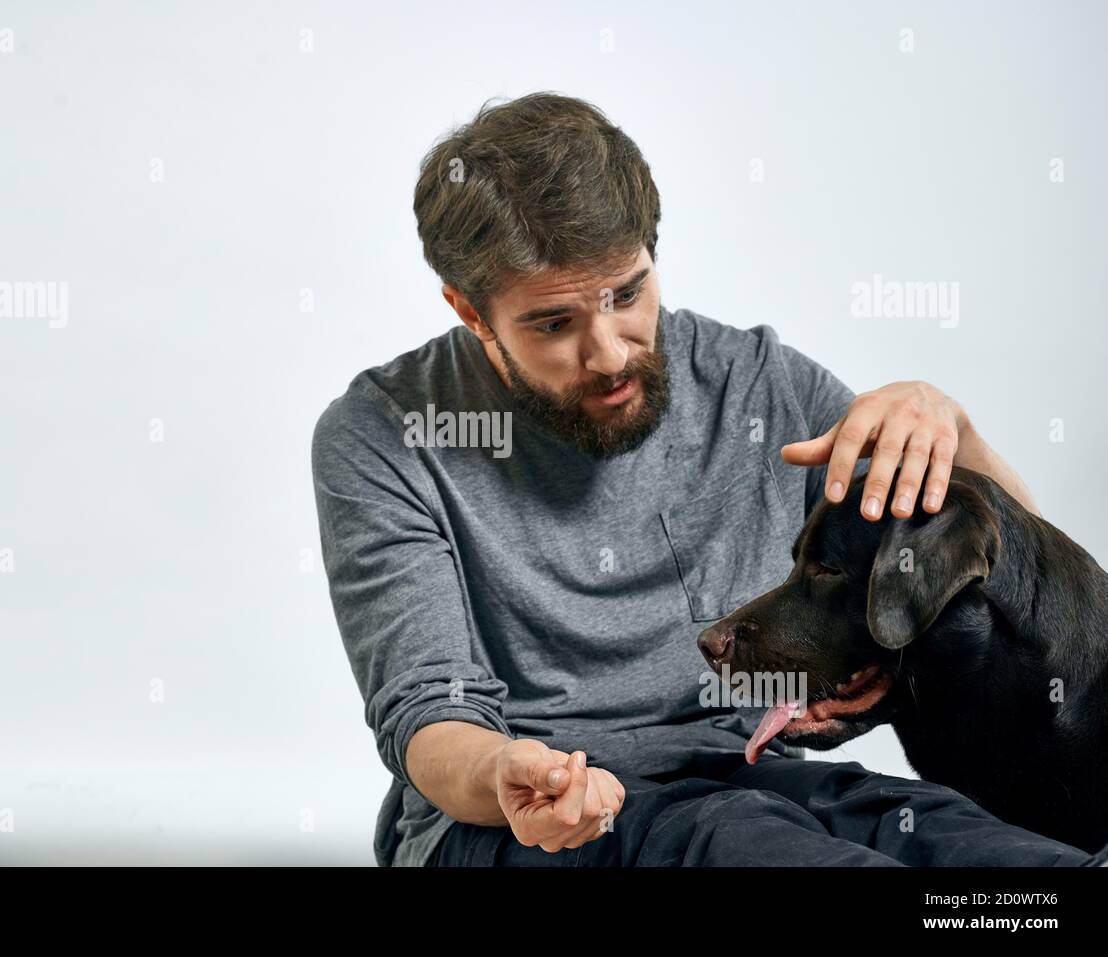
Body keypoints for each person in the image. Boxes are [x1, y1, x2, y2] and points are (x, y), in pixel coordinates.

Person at [310, 91, 1104, 867]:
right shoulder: (386, 434)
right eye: (554, 323)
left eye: (628, 292)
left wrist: (955, 432)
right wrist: (504, 772)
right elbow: (428, 721)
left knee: (971, 846)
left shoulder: (757, 384)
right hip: (524, 819)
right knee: (731, 837)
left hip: (759, 774)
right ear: (471, 311)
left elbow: (1029, 588)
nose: (612, 350)